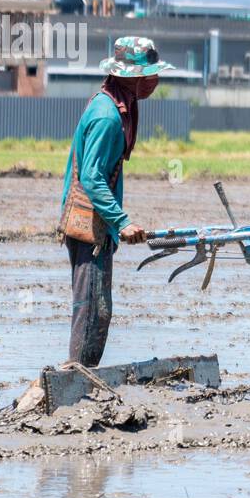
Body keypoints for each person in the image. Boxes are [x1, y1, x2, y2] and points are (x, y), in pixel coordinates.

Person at [59, 37, 174, 367]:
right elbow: (93, 177)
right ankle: (76, 373)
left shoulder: (117, 105)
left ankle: (84, 373)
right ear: (132, 77)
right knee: (91, 306)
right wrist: (122, 222)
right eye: (150, 74)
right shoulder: (108, 117)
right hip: (88, 228)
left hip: (99, 226)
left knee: (98, 308)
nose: (154, 81)